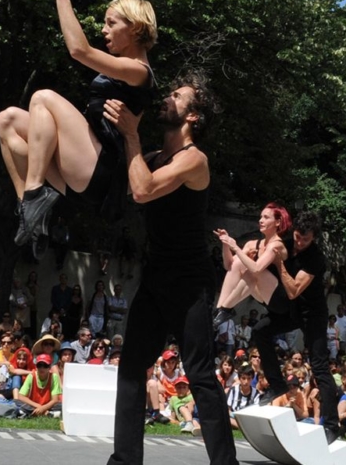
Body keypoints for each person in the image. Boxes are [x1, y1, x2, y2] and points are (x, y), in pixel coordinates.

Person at [101, 71, 233, 465]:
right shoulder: (155, 158)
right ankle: (125, 461)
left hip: (190, 282)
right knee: (131, 368)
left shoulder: (195, 160)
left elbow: (142, 190)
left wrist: (131, 135)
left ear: (193, 117)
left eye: (178, 96)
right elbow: (129, 183)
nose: (167, 98)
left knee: (200, 375)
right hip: (156, 275)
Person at [0, 0, 159, 247]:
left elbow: (78, 50)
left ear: (134, 29)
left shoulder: (140, 71)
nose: (103, 29)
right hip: (79, 168)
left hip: (101, 172)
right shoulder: (122, 68)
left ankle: (34, 192)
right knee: (7, 119)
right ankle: (30, 213)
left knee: (42, 97)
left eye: (111, 23)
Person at [263, 212, 344, 441]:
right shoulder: (287, 243)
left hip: (313, 315)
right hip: (293, 312)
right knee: (260, 330)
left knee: (319, 368)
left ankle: (331, 425)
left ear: (314, 238)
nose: (299, 243)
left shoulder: (315, 259)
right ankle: (277, 385)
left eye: (305, 240)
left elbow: (293, 290)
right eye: (297, 237)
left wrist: (279, 264)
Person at [210, 203, 290, 329]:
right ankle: (220, 311)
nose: (260, 220)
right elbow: (229, 266)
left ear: (278, 222)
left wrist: (236, 248)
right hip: (262, 295)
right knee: (239, 263)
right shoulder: (252, 244)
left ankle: (226, 309)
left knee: (252, 270)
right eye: (260, 217)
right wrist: (226, 244)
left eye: (266, 217)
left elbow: (257, 268)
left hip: (280, 299)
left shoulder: (276, 245)